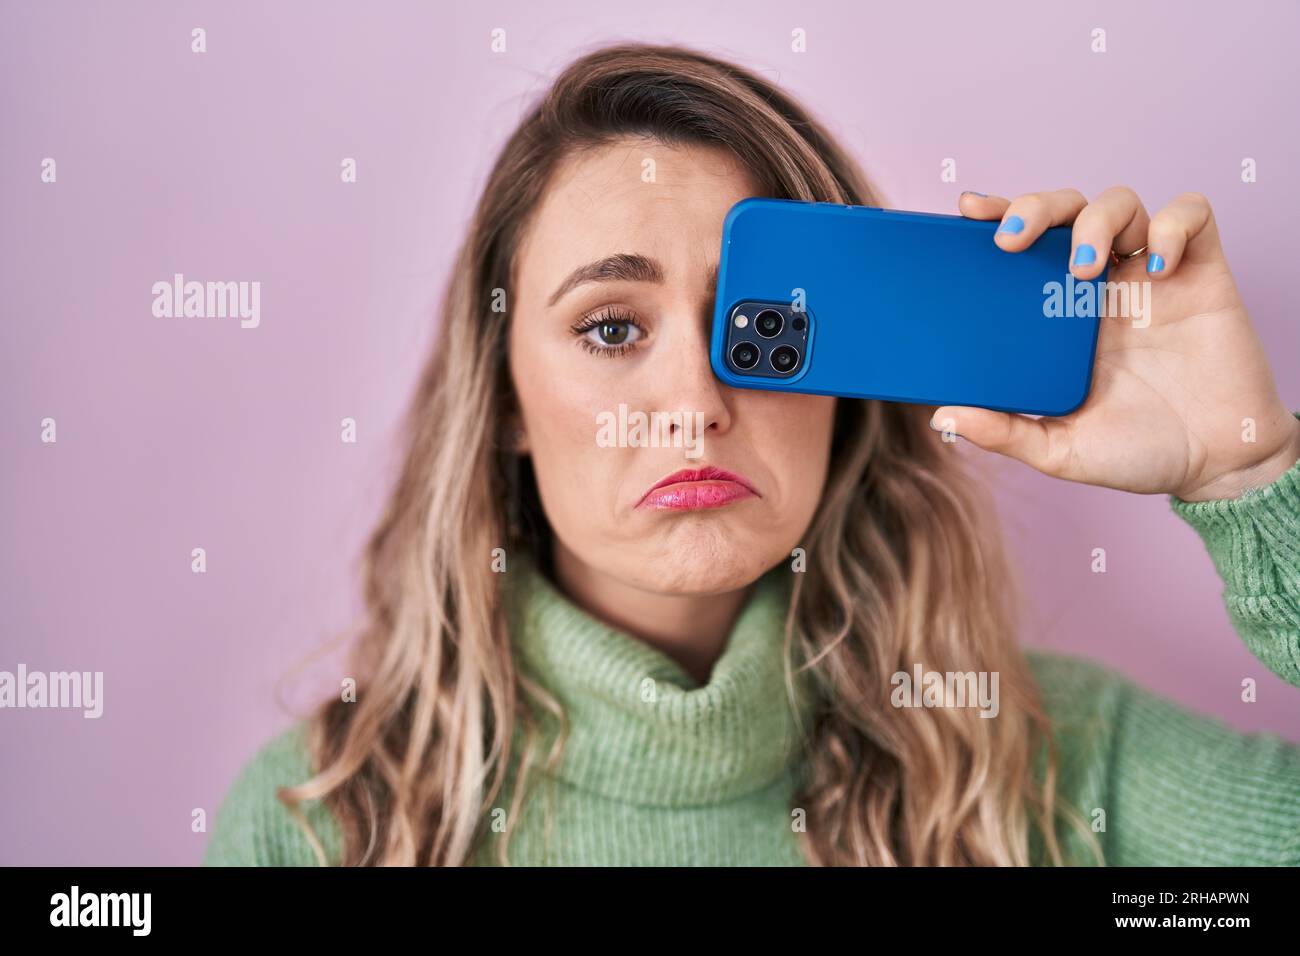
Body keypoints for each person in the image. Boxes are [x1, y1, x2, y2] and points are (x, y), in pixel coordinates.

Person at [204, 43, 1300, 867]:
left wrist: (1246, 477)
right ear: (504, 400)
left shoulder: (1059, 767)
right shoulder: (318, 817)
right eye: (611, 327)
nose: (694, 400)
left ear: (846, 385)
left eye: (758, 324)